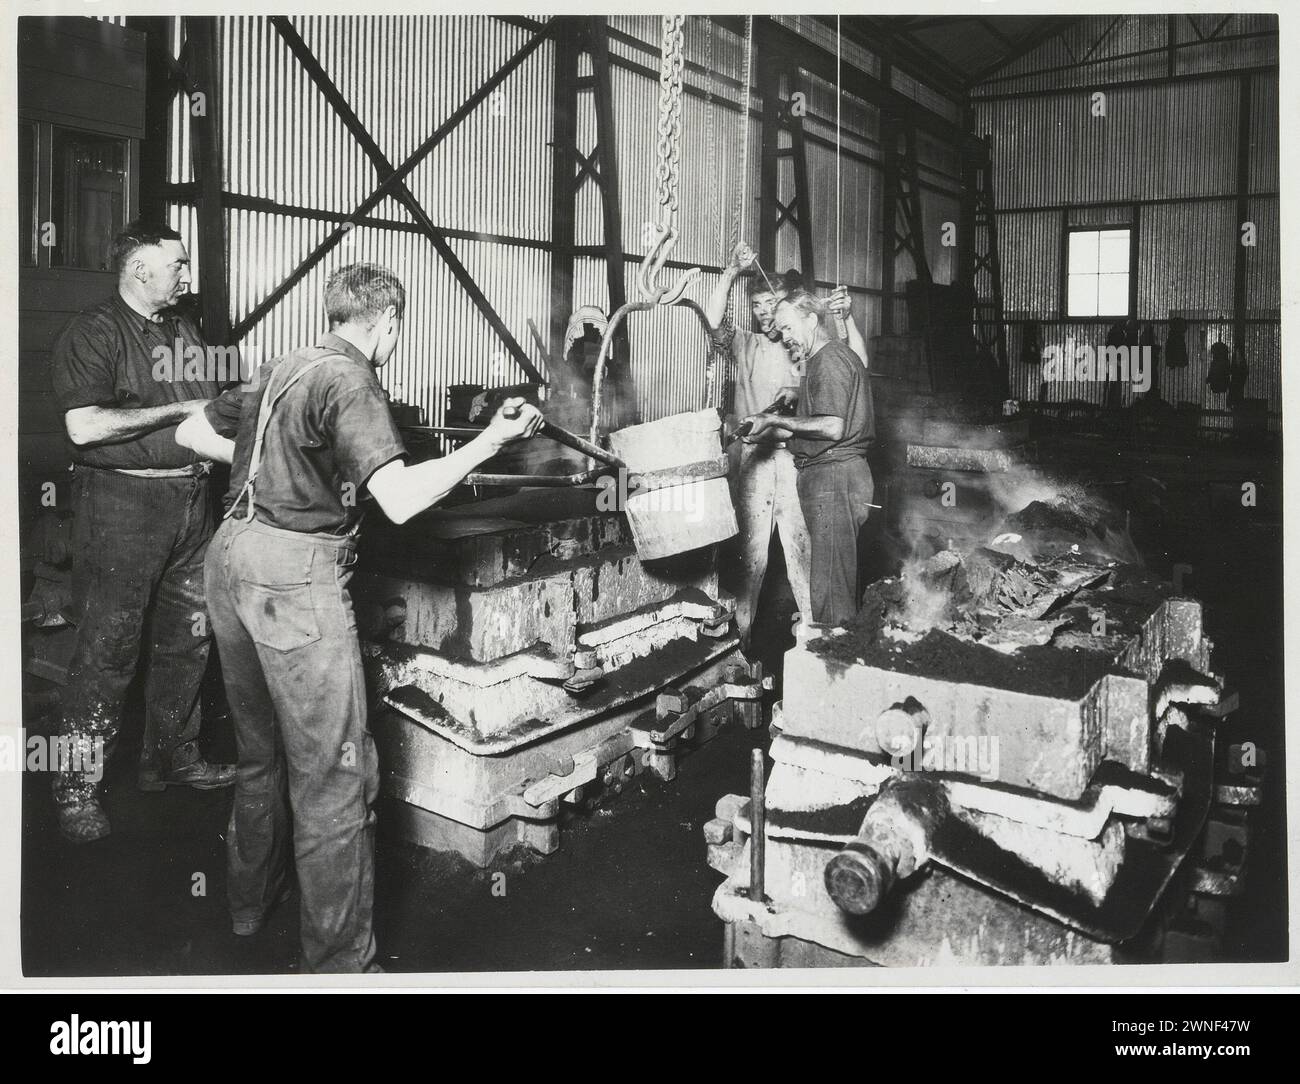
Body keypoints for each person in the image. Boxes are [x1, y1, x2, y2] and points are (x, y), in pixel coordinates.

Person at [175, 262, 542, 974]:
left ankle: (249, 908)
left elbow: (193, 433)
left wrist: (276, 472)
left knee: (261, 757)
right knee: (335, 781)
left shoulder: (282, 364)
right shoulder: (352, 379)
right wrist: (490, 443)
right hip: (294, 579)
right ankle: (341, 968)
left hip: (231, 557)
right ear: (389, 324)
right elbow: (402, 500)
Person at [49, 221, 235, 844]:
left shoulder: (184, 331)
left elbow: (210, 409)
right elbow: (84, 426)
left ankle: (172, 758)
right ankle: (77, 789)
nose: (187, 275)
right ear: (138, 270)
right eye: (177, 265)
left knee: (189, 636)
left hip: (190, 500)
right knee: (109, 646)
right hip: (121, 505)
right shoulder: (94, 332)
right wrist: (175, 411)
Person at [743, 291, 876, 628]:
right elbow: (818, 424)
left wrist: (774, 421)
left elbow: (832, 426)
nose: (784, 337)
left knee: (831, 592)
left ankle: (833, 666)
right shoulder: (824, 360)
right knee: (831, 583)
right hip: (834, 476)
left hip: (834, 478)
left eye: (788, 328)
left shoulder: (828, 360)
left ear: (812, 320)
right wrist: (790, 405)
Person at [705, 243, 811, 640]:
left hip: (798, 459)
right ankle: (740, 640)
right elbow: (713, 319)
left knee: (803, 552)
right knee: (749, 557)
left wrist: (798, 394)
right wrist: (732, 270)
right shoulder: (745, 344)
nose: (764, 312)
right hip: (753, 461)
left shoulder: (803, 348)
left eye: (772, 303)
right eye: (758, 305)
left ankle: (814, 640)